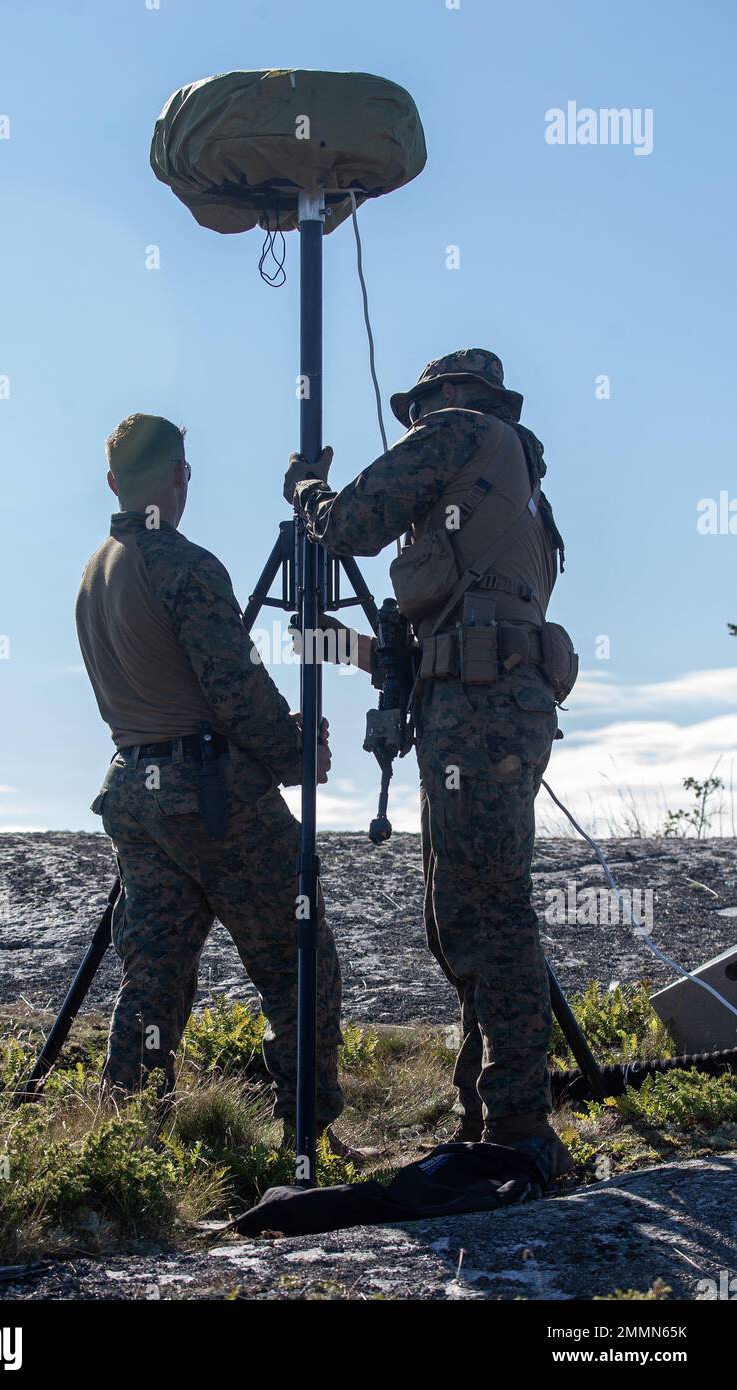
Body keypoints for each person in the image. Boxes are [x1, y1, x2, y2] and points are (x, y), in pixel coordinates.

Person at [283, 349, 575, 1182]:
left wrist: (307, 492)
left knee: (487, 912)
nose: (413, 427)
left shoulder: (462, 431)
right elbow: (439, 622)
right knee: (465, 914)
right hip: (487, 704)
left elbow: (349, 524)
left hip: (481, 709)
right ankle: (489, 1114)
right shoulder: (517, 496)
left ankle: (519, 1124)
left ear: (449, 398)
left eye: (419, 411)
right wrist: (355, 651)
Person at [76, 412, 344, 1139]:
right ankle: (305, 1137)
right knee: (299, 955)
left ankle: (127, 1139)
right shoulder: (186, 567)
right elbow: (235, 691)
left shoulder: (94, 574)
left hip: (135, 790)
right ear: (180, 475)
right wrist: (296, 756)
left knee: (153, 976)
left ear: (113, 482)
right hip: (209, 794)